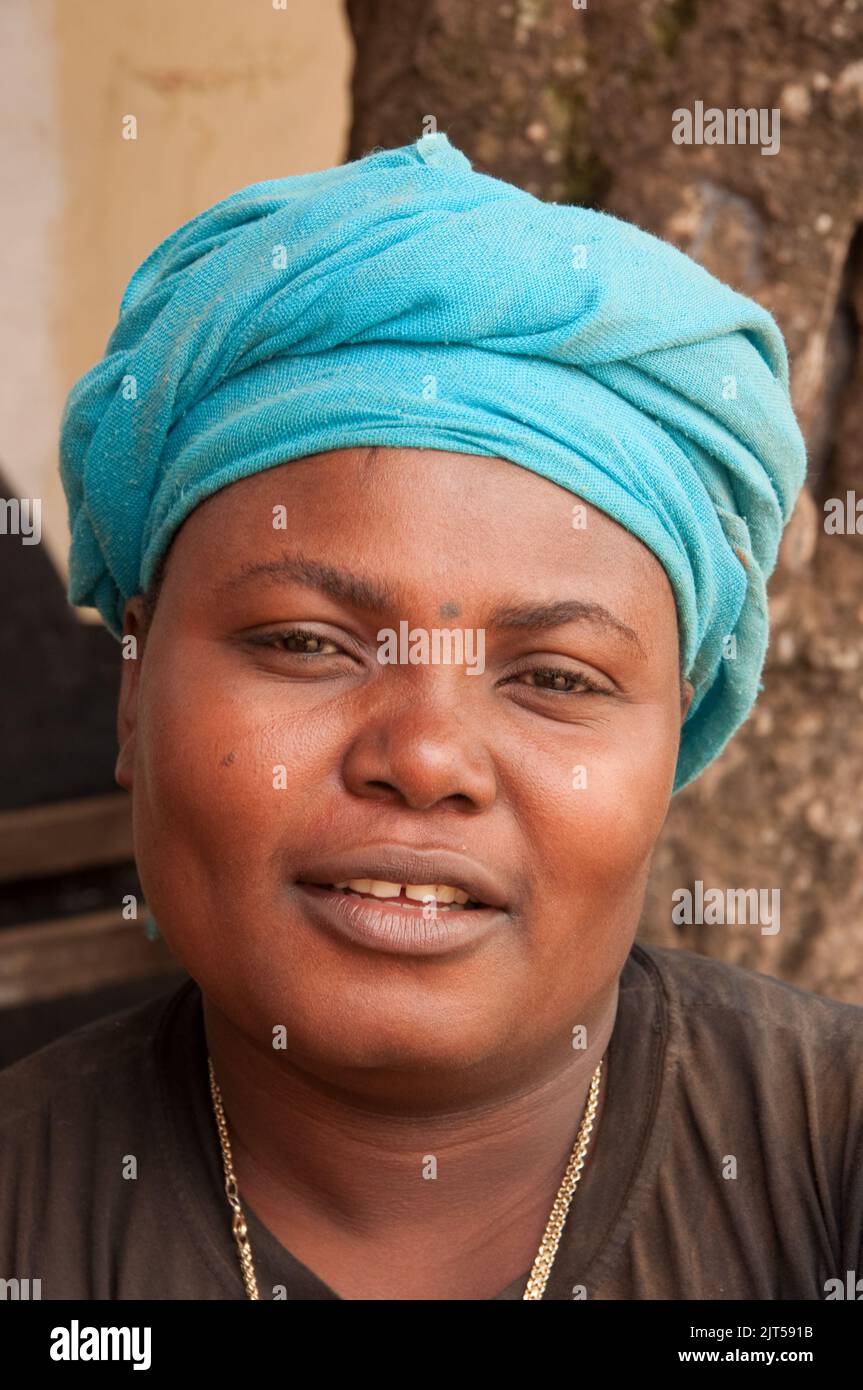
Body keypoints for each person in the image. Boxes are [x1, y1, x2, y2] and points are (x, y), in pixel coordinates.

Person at [1, 133, 860, 1302]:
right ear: (134, 686)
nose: (423, 757)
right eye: (306, 643)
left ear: (675, 746)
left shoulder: (828, 1168)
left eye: (554, 676)